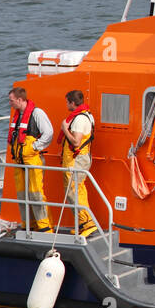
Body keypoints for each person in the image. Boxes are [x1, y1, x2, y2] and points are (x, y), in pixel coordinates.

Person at [8, 87, 52, 231]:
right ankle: (29, 224)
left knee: (35, 193)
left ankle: (44, 226)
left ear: (20, 100)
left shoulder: (37, 113)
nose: (10, 103)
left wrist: (34, 147)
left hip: (33, 159)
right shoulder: (18, 115)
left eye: (12, 100)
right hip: (19, 161)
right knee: (22, 194)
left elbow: (48, 133)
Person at [59, 89, 98, 238]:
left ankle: (88, 224)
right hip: (77, 160)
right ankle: (83, 224)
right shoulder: (85, 115)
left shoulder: (80, 119)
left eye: (67, 102)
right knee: (76, 191)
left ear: (72, 103)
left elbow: (75, 142)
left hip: (77, 160)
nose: (66, 105)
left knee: (75, 192)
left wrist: (64, 129)